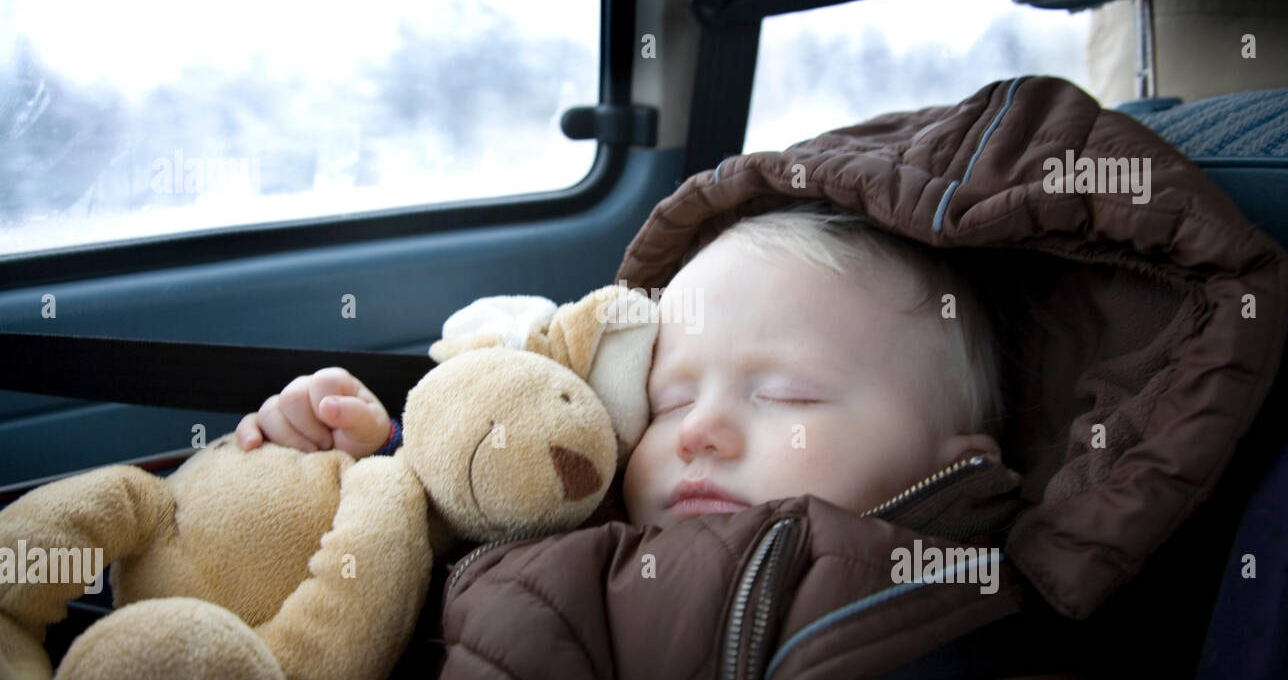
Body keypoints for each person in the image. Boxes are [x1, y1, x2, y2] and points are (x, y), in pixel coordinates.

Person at [234, 200, 1006, 535]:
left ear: (957, 469)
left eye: (786, 395)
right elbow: (481, 510)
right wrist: (377, 457)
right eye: (666, 404)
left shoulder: (950, 631)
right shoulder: (591, 521)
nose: (699, 430)